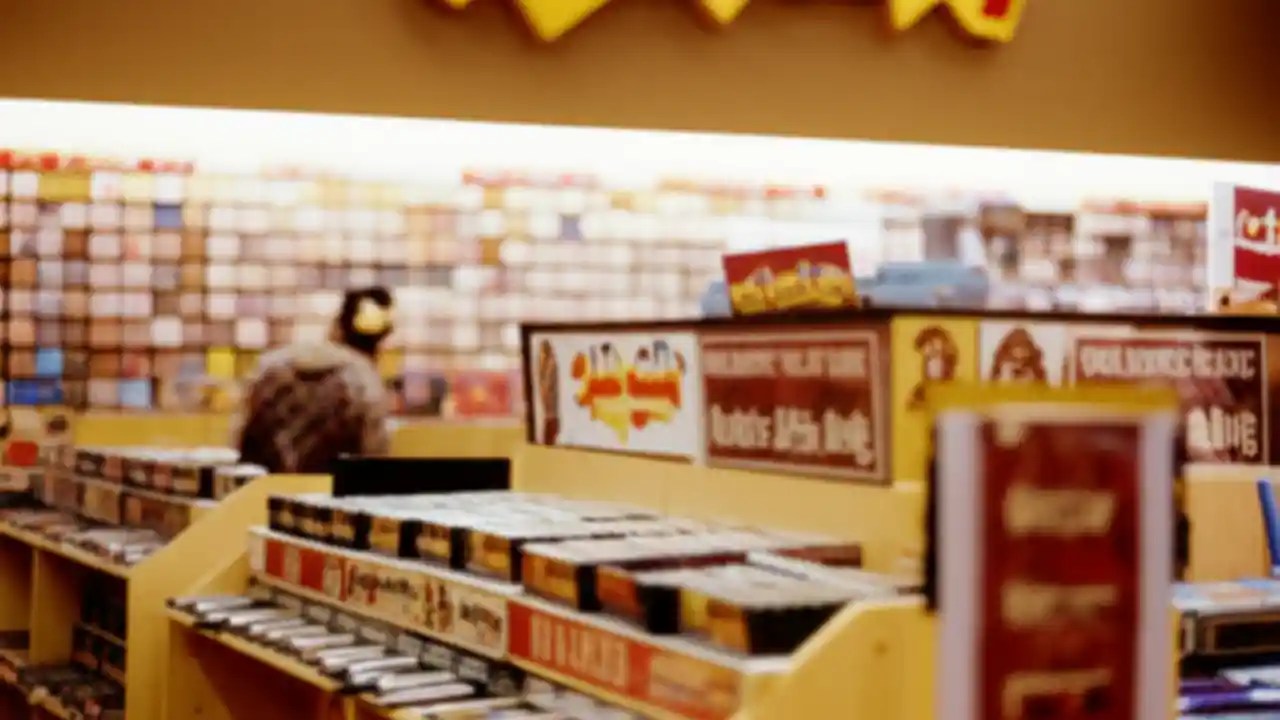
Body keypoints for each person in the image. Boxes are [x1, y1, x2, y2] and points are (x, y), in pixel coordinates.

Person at [231, 287, 394, 473]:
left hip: (258, 492)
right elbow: (373, 458)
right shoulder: (365, 384)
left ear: (337, 326)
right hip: (330, 494)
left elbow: (240, 443)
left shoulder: (272, 365)